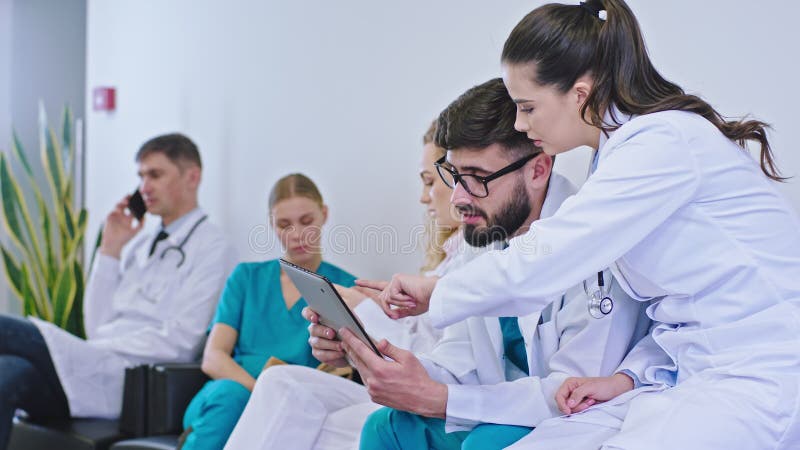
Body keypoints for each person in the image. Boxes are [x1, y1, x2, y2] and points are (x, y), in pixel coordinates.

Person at [371, 2, 800, 449]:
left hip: (760, 370)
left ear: (579, 93)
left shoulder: (662, 143)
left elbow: (547, 259)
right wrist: (630, 376)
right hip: (685, 371)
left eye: (527, 107)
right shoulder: (617, 156)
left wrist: (436, 291)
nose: (520, 122)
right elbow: (676, 313)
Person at [327, 78, 647, 450]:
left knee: (486, 443)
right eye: (454, 176)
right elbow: (461, 359)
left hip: (571, 422)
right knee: (386, 428)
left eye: (477, 178)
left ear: (538, 170)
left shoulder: (593, 249)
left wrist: (440, 399)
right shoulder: (483, 234)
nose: (459, 198)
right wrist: (388, 364)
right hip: (498, 409)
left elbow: (572, 395)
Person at [223, 121, 466, 450]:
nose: (423, 198)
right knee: (278, 382)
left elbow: (435, 352)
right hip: (412, 377)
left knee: (299, 408)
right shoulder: (450, 256)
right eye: (284, 224)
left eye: (429, 181)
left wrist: (362, 307)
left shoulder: (480, 258)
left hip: (437, 392)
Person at [0, 133, 238, 448]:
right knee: (8, 374)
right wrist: (110, 249)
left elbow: (182, 341)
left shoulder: (214, 247)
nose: (144, 187)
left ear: (192, 177)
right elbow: (96, 325)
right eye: (141, 176)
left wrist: (103, 348)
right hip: (91, 365)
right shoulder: (137, 243)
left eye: (155, 174)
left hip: (126, 380)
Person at [180, 173, 357, 450]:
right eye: (284, 225)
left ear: (324, 214)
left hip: (295, 407)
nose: (297, 234)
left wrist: (278, 402)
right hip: (229, 396)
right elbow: (213, 358)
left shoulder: (345, 288)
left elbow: (346, 369)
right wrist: (262, 396)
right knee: (230, 396)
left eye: (307, 221)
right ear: (271, 225)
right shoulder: (246, 278)